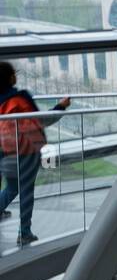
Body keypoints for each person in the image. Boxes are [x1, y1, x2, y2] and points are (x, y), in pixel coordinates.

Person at [0, 62, 70, 246]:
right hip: (26, 151)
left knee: (12, 188)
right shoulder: (20, 99)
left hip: (5, 152)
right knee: (26, 192)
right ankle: (24, 233)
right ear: (10, 78)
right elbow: (40, 121)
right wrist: (61, 106)